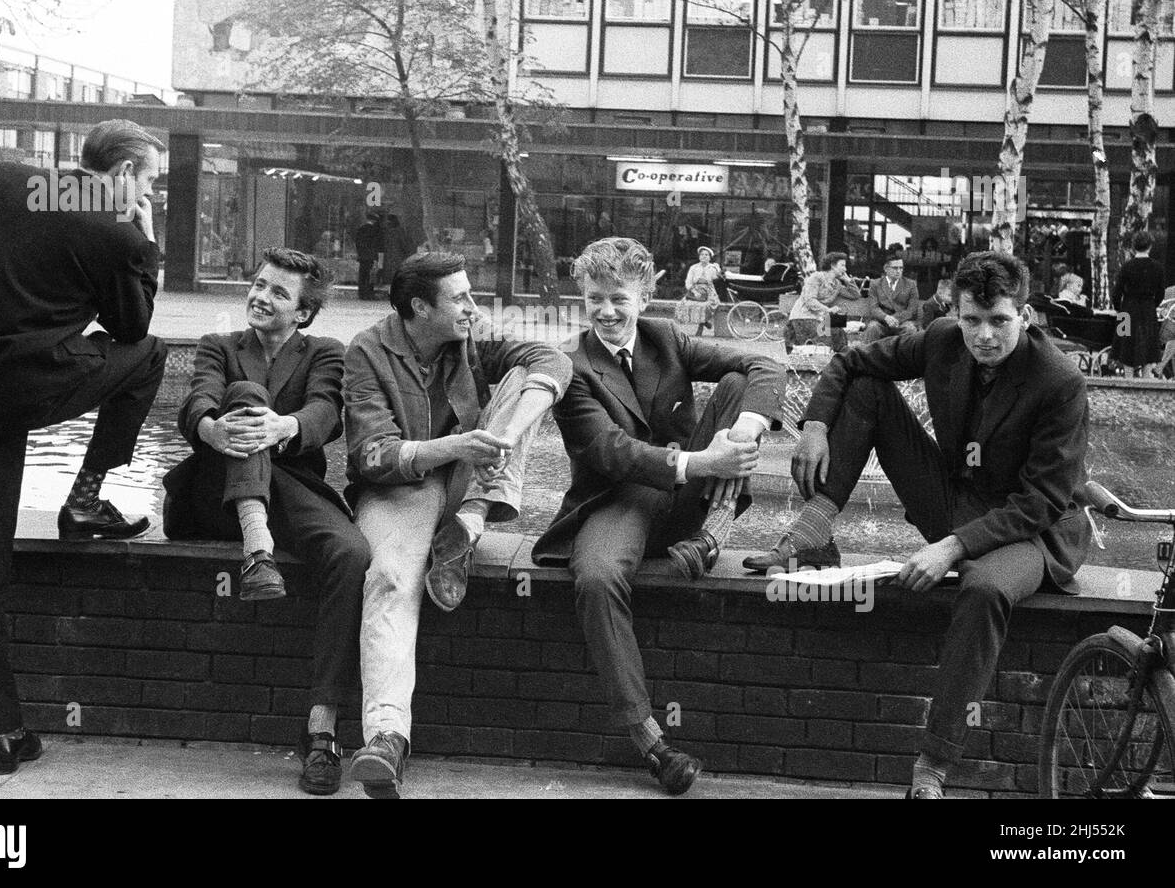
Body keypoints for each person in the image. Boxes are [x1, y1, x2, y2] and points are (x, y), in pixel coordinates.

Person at [744, 251, 1091, 799]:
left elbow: (1042, 501)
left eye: (999, 320)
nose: (983, 336)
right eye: (971, 319)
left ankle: (933, 765)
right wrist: (812, 425)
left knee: (983, 588)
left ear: (1025, 315)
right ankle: (814, 533)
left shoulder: (1059, 381)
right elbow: (852, 362)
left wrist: (952, 547)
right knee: (868, 389)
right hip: (958, 499)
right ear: (956, 310)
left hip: (1034, 531)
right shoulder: (942, 340)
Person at [0, 119, 167, 775]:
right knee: (151, 356)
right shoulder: (119, 231)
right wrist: (146, 241)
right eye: (151, 180)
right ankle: (84, 499)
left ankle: (4, 731)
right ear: (123, 175)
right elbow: (132, 327)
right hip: (33, 384)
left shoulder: (1, 179)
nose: (151, 193)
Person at [533, 238, 784, 796]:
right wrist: (703, 460)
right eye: (595, 298)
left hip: (686, 500)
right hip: (619, 498)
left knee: (739, 385)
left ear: (646, 297)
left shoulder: (666, 338)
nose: (607, 311)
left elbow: (764, 362)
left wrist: (746, 430)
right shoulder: (570, 364)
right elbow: (608, 451)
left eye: (619, 298)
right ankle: (650, 742)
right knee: (596, 579)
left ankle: (716, 532)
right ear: (582, 297)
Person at [343, 252, 571, 797]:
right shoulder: (366, 351)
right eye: (461, 297)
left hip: (469, 481)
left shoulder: (473, 333)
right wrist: (453, 446)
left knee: (526, 377)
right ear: (420, 308)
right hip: (403, 485)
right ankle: (386, 738)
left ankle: (467, 526)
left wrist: (505, 436)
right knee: (391, 580)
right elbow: (371, 454)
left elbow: (554, 359)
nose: (473, 306)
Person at [161, 247, 369, 795]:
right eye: (258, 284)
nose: (260, 296)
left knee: (353, 554)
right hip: (214, 497)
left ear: (302, 312)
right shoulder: (219, 345)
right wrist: (211, 431)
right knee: (243, 394)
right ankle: (257, 547)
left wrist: (284, 428)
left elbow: (326, 412)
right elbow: (199, 398)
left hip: (291, 490)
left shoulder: (326, 351)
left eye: (279, 291)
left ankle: (321, 731)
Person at [1112, 231, 1165, 377]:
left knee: (1124, 343)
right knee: (1149, 344)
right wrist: (1152, 305)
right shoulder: (1158, 267)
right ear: (1150, 247)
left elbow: (1116, 293)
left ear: (1134, 247)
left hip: (1126, 309)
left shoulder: (1126, 267)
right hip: (1148, 309)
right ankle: (1146, 378)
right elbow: (1160, 293)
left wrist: (1119, 309)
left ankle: (1127, 377)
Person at [787, 251, 861, 350]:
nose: (845, 269)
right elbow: (810, 300)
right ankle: (834, 357)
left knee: (839, 331)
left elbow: (855, 295)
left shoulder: (837, 284)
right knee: (831, 334)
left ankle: (843, 358)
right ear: (832, 266)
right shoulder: (816, 277)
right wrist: (828, 310)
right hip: (803, 318)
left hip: (820, 318)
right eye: (842, 265)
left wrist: (849, 281)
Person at [861, 254, 921, 342]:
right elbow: (874, 308)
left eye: (901, 268)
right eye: (895, 268)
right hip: (881, 322)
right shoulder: (875, 284)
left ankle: (905, 356)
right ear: (886, 269)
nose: (899, 271)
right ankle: (867, 355)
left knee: (910, 329)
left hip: (902, 322)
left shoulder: (911, 284)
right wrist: (886, 318)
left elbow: (912, 310)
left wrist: (895, 319)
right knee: (872, 327)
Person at [682, 245, 722, 336]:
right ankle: (704, 322)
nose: (704, 256)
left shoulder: (712, 267)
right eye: (702, 254)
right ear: (699, 256)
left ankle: (700, 326)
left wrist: (717, 269)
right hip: (695, 289)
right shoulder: (694, 267)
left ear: (710, 257)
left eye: (706, 255)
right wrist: (694, 291)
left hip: (709, 290)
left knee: (706, 305)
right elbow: (688, 281)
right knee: (685, 304)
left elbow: (717, 278)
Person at [354, 210, 382, 300]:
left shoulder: (361, 229)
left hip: (362, 257)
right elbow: (375, 245)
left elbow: (357, 243)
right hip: (370, 256)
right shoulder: (374, 230)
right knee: (370, 276)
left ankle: (361, 293)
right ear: (374, 221)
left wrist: (360, 253)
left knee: (362, 275)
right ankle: (369, 293)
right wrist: (375, 257)